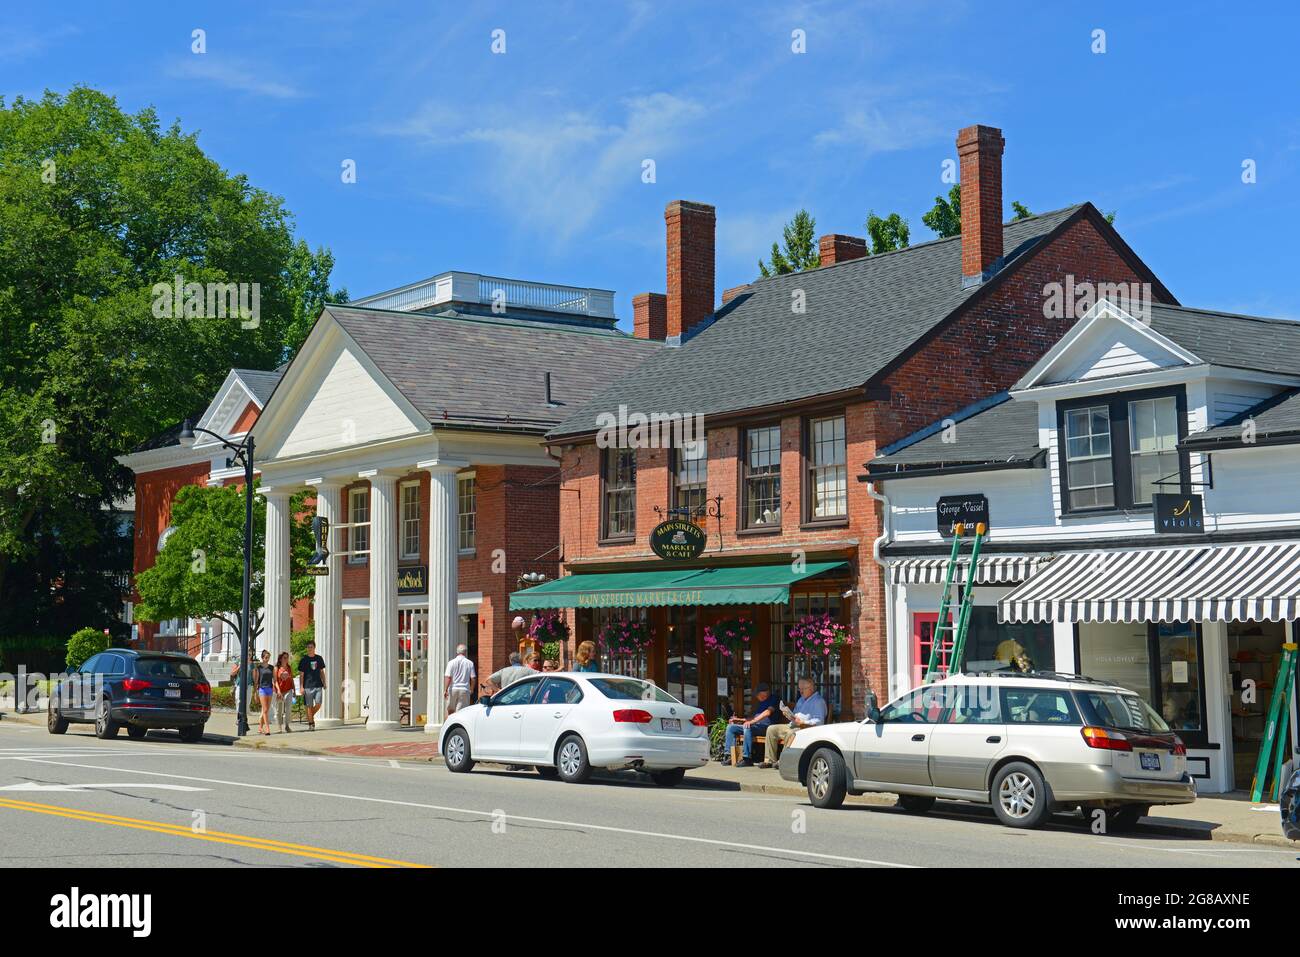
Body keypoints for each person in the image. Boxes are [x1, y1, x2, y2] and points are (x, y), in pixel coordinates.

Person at [758, 676, 827, 768]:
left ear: (811, 688)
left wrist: (802, 722)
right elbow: (795, 714)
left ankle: (782, 761)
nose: (801, 691)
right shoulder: (801, 700)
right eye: (800, 689)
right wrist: (789, 715)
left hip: (805, 728)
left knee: (791, 733)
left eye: (803, 689)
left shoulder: (818, 701)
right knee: (771, 729)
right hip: (793, 724)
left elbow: (819, 721)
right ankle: (769, 760)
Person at [721, 683, 781, 768]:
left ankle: (747, 759)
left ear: (764, 693)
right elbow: (754, 717)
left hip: (767, 728)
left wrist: (752, 722)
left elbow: (768, 712)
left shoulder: (774, 698)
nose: (757, 697)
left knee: (747, 727)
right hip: (755, 726)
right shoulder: (761, 702)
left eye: (758, 695)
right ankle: (729, 755)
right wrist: (739, 720)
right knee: (731, 727)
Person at [298, 640, 327, 731]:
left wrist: (324, 682)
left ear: (314, 648)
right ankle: (311, 724)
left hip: (318, 684)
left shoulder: (319, 658)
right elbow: (301, 674)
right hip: (307, 686)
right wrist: (301, 687)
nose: (310, 649)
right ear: (307, 648)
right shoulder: (304, 660)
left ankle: (309, 716)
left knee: (318, 704)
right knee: (309, 705)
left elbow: (321, 672)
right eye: (308, 647)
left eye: (311, 647)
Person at [444, 643, 475, 715]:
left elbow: (448, 677)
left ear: (457, 652)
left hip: (453, 689)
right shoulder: (470, 663)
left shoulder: (451, 663)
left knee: (450, 711)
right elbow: (473, 678)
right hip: (464, 689)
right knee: (461, 712)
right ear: (465, 652)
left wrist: (445, 689)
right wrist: (472, 689)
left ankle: (448, 725)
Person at [254, 650, 275, 736]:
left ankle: (260, 727)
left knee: (266, 710)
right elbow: (256, 681)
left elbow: (274, 679)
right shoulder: (259, 668)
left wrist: (276, 688)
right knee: (265, 710)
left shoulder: (271, 667)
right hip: (262, 689)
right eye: (265, 657)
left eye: (268, 657)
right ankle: (267, 728)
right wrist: (255, 692)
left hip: (270, 688)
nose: (267, 659)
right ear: (262, 658)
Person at [273, 651, 295, 733]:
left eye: (287, 658)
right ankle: (279, 727)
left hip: (288, 689)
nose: (286, 659)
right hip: (280, 691)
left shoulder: (289, 667)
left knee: (288, 708)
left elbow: (291, 679)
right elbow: (275, 681)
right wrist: (278, 691)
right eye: (284, 658)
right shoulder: (276, 668)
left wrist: (294, 691)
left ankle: (287, 726)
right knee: (279, 710)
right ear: (281, 659)